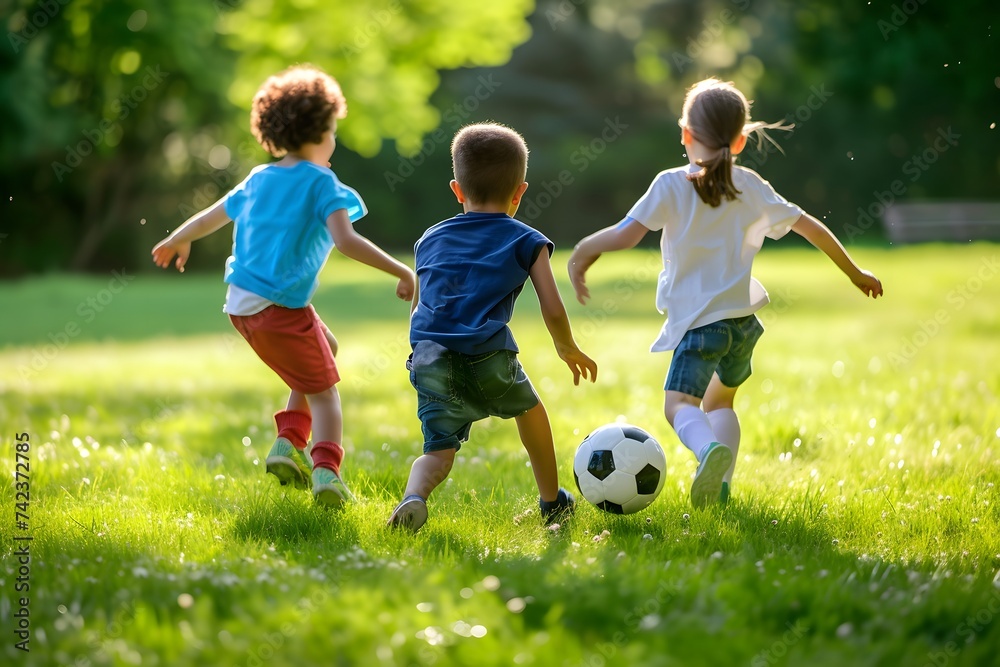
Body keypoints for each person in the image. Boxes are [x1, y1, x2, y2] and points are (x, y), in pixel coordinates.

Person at [567, 78, 883, 508]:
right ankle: (721, 487)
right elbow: (809, 224)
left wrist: (583, 252)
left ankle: (706, 452)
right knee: (721, 405)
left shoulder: (671, 185)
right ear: (739, 141)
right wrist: (854, 271)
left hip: (700, 325)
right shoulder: (751, 186)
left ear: (685, 134)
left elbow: (625, 236)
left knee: (679, 406)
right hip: (743, 325)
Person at [152, 65, 415, 508]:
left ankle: (288, 440)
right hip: (279, 310)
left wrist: (179, 238)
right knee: (327, 395)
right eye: (332, 130)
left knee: (323, 346)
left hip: (241, 307)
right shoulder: (320, 182)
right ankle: (327, 473)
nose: (334, 139)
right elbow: (347, 240)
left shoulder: (259, 178)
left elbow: (210, 217)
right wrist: (403, 271)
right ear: (317, 133)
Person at [387, 122, 598, 532]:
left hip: (429, 355)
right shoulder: (526, 239)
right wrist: (566, 346)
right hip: (486, 353)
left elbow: (419, 306)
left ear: (456, 190)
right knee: (530, 411)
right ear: (519, 192)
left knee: (438, 451)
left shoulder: (429, 238)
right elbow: (551, 306)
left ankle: (414, 497)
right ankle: (552, 502)